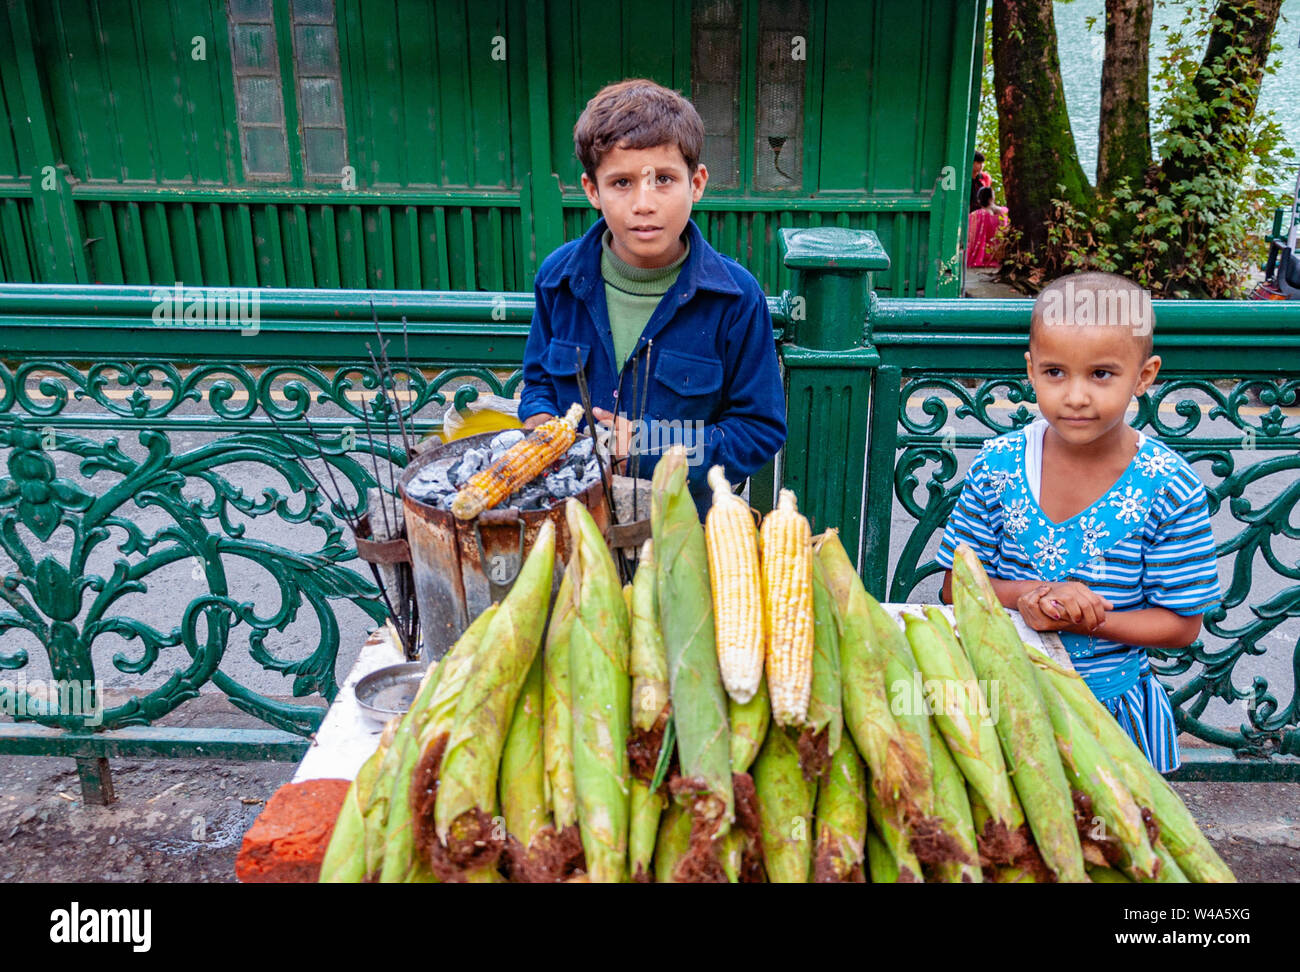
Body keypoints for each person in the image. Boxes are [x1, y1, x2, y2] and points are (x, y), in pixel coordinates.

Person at [935, 272, 1221, 773]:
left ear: (1145, 375)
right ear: (1031, 370)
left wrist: (1084, 616)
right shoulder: (997, 466)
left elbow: (1181, 625)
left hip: (1108, 715)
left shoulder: (1169, 487)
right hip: (1001, 703)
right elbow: (953, 586)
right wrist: (1040, 593)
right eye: (1055, 373)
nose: (1075, 396)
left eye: (1102, 374)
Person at [518, 79, 787, 518]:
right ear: (592, 190)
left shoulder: (736, 299)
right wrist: (543, 427)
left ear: (696, 183)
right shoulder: (558, 280)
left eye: (664, 179)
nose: (644, 203)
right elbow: (538, 386)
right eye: (621, 182)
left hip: (684, 527)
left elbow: (758, 431)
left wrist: (652, 447)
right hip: (572, 516)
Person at [966, 185, 1008, 268]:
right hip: (1001, 253)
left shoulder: (975, 215)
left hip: (981, 255)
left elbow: (969, 238)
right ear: (992, 198)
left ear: (979, 200)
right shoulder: (1004, 212)